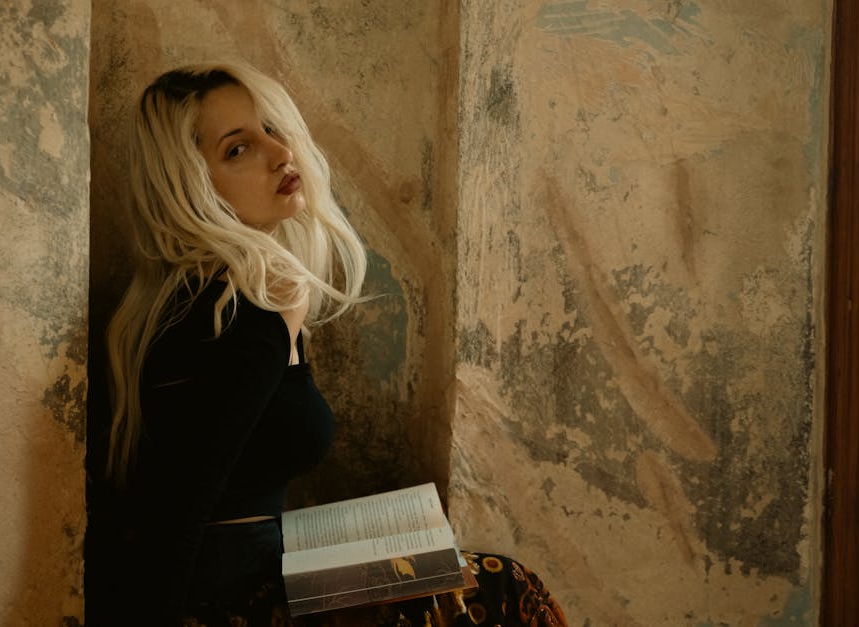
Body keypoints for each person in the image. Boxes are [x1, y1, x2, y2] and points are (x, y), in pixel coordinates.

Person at [103, 61, 567, 626]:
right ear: (190, 187)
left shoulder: (180, 298)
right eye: (237, 149)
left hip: (254, 575)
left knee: (471, 573)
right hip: (233, 601)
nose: (279, 153)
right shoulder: (261, 290)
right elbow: (187, 494)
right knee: (503, 590)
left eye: (271, 128)